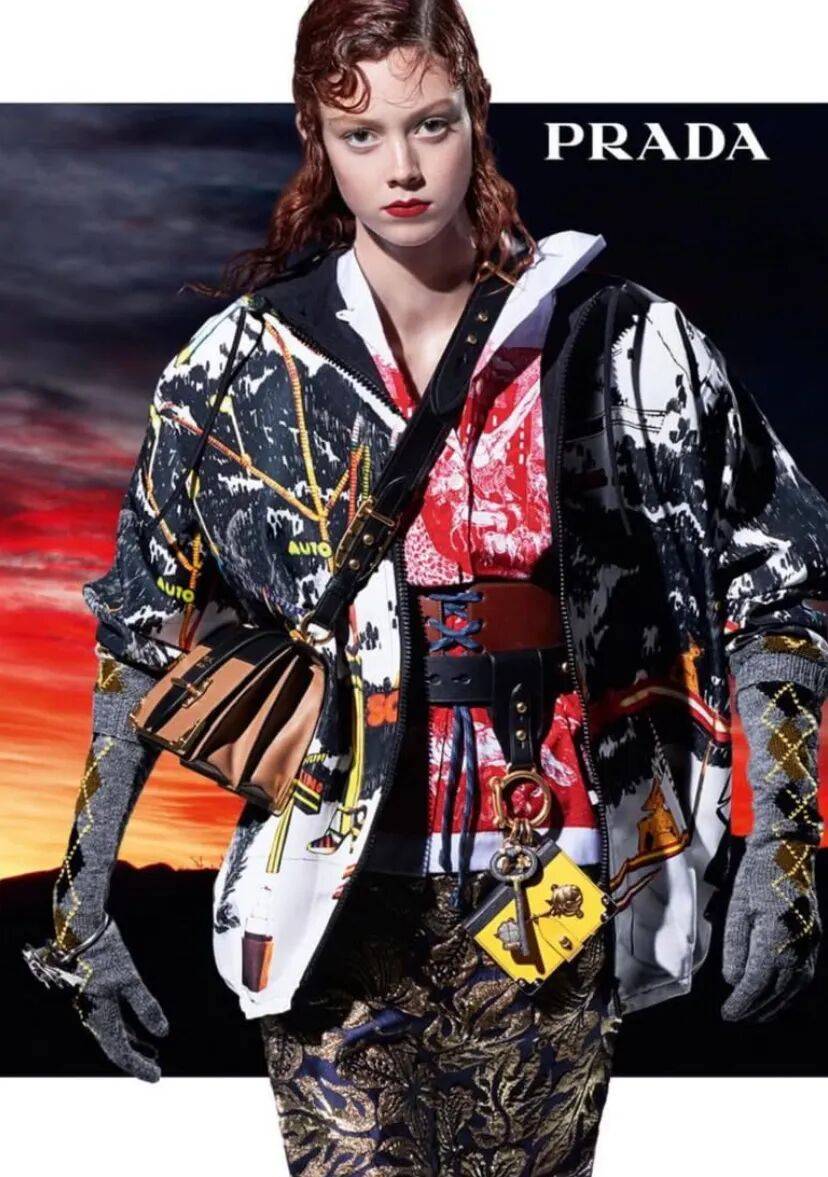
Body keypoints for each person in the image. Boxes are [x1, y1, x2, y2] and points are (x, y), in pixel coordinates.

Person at [24, 1, 828, 1174]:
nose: (402, 168)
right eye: (363, 135)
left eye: (431, 124)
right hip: (322, 888)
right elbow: (140, 630)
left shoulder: (622, 341)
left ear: (475, 118)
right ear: (317, 138)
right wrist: (78, 906)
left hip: (554, 871)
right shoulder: (237, 365)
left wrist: (786, 842)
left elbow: (785, 580)